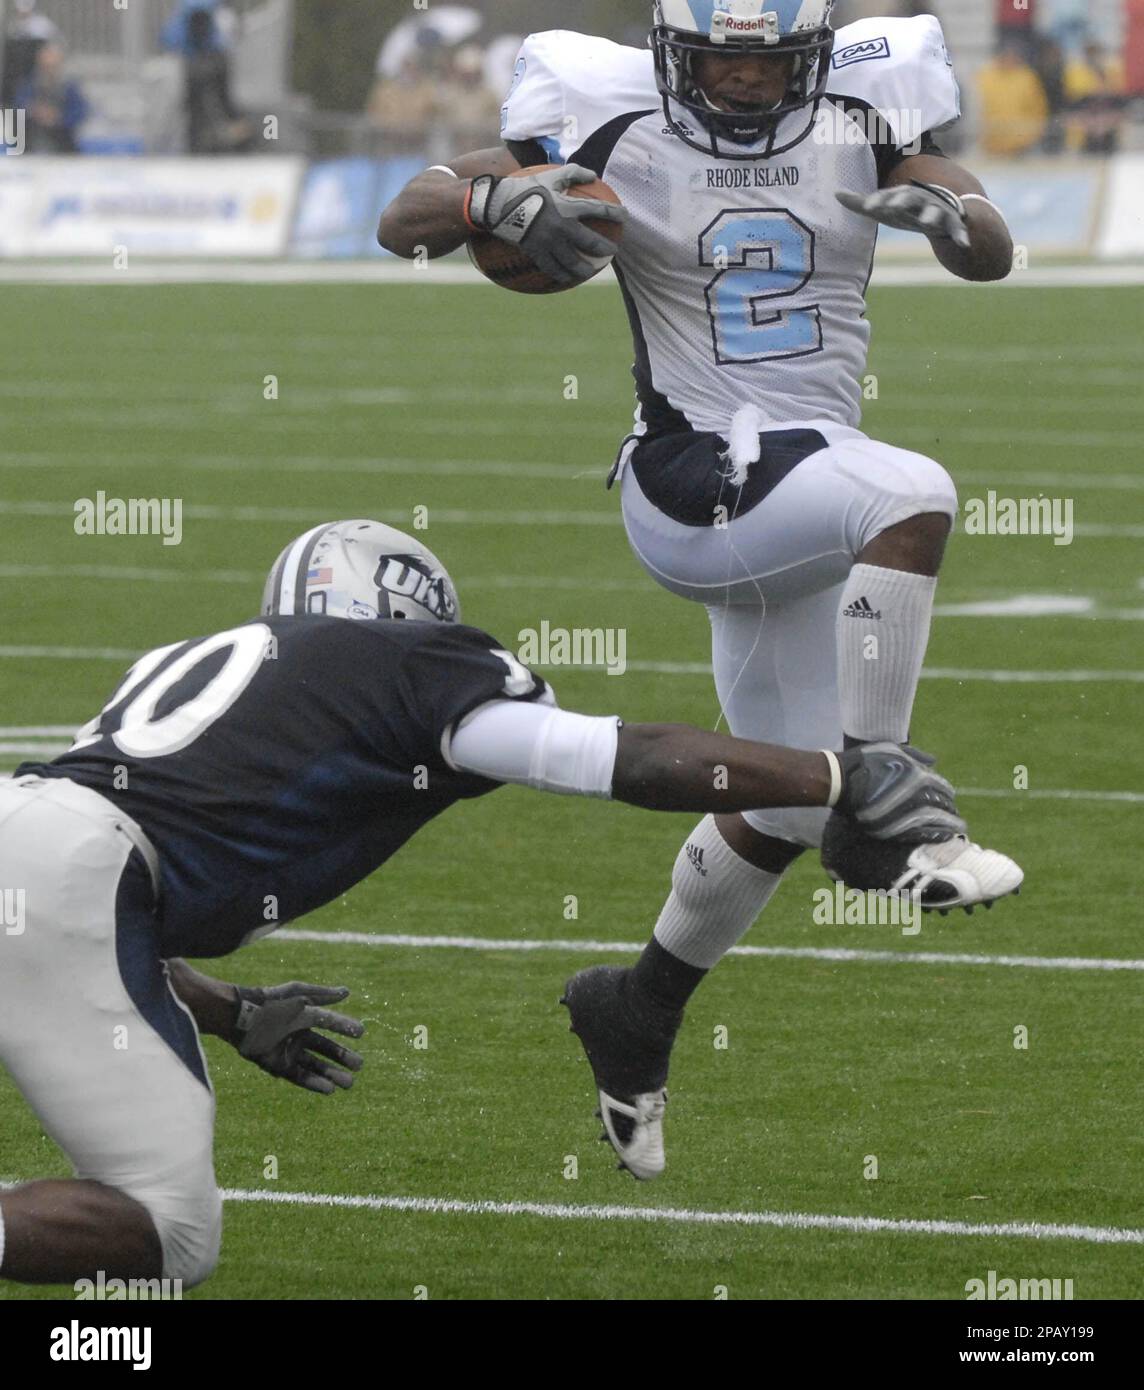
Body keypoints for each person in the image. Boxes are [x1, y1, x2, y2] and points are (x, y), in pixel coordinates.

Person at [378, 0, 1024, 1179]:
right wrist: (490, 200)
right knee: (913, 494)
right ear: (676, 56)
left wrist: (958, 217)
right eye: (721, 62)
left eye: (769, 61)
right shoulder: (607, 112)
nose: (743, 83)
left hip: (795, 482)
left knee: (780, 801)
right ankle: (886, 792)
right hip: (694, 480)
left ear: (814, 57)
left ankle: (635, 1010)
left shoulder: (866, 106)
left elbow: (987, 242)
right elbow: (401, 217)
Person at [0, 519, 961, 1288]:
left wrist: (233, 1011)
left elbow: (83, 931)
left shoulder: (214, 660)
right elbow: (619, 757)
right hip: (75, 876)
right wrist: (838, 774)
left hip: (38, 841)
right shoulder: (410, 668)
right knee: (168, 1234)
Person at [183, 4, 253, 154]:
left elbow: (170, 37)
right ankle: (242, 143)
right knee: (225, 104)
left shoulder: (186, 7)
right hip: (218, 59)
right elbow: (233, 33)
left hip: (195, 61)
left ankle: (196, 144)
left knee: (195, 106)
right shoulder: (219, 9)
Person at [977, 40, 1051, 157]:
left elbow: (1039, 109)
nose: (1009, 60)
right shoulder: (984, 77)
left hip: (1023, 147)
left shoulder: (1027, 77)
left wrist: (1031, 136)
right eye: (1006, 56)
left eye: (1013, 56)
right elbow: (978, 108)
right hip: (990, 146)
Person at [14, 41, 88, 154]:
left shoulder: (69, 87)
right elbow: (18, 106)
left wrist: (58, 118)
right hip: (32, 140)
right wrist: (35, 111)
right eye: (46, 66)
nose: (49, 70)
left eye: (53, 66)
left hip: (62, 141)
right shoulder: (29, 85)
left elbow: (80, 112)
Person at [1064, 41, 1128, 156]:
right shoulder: (1078, 79)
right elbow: (1072, 112)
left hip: (1109, 139)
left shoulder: (1112, 78)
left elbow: (1121, 111)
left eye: (1096, 53)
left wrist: (1106, 123)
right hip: (1084, 139)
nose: (1094, 58)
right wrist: (1091, 125)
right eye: (1091, 54)